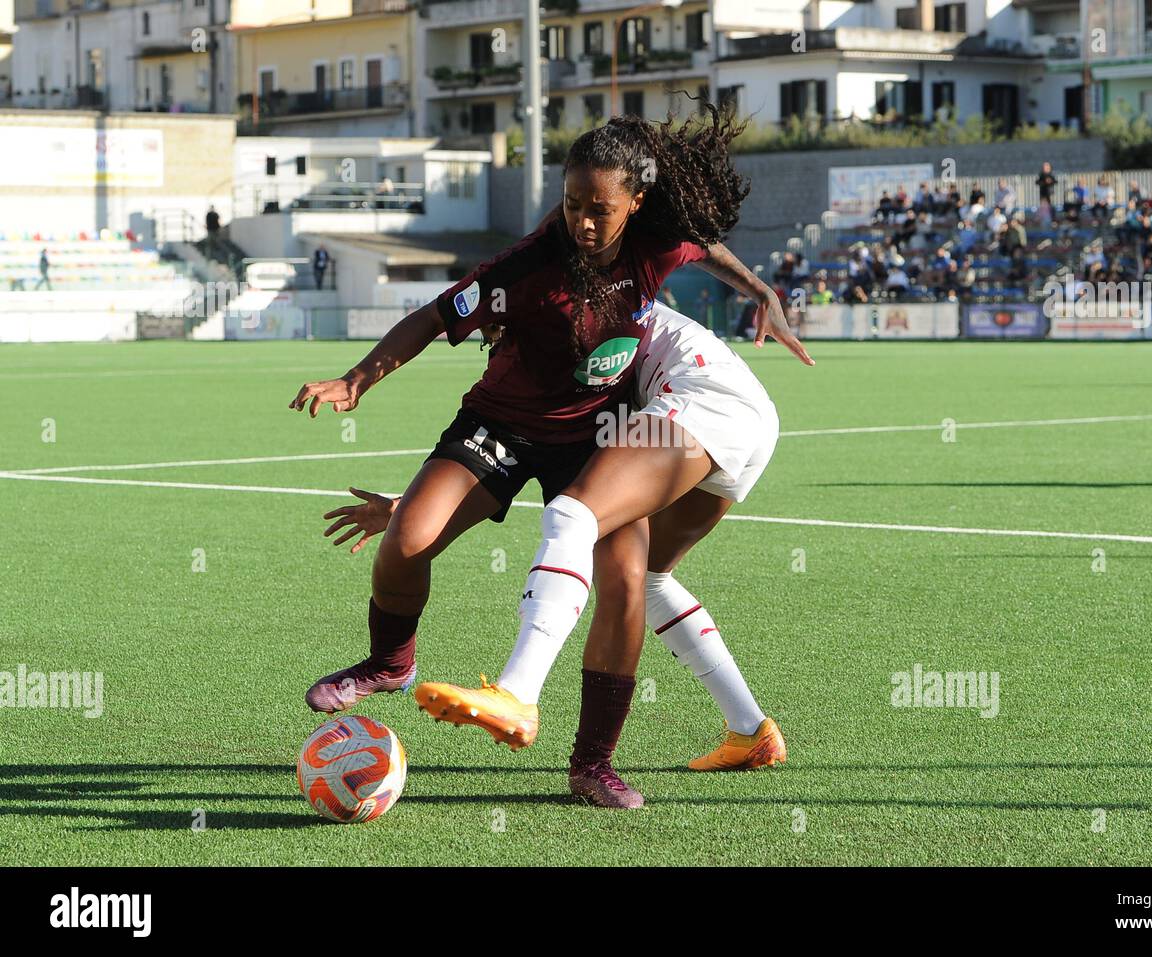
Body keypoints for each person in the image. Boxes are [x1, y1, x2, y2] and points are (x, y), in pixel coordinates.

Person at [289, 106, 806, 807]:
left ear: (636, 204)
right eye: (571, 205)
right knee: (409, 537)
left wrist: (762, 291)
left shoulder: (656, 245)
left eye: (601, 210)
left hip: (597, 435)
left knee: (627, 584)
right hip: (500, 424)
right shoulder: (527, 265)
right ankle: (389, 664)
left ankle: (592, 763)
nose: (584, 223)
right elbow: (434, 316)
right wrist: (356, 380)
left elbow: (703, 245)